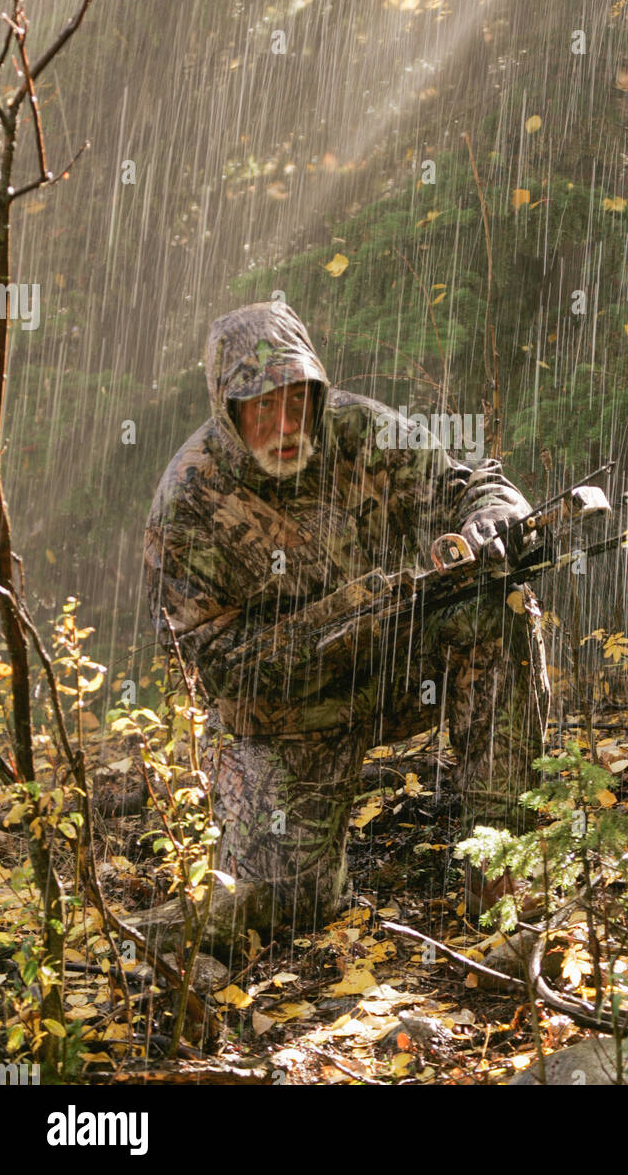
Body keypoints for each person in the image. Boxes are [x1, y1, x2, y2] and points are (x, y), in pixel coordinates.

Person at [137, 300, 546, 951]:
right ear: (227, 409)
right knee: (283, 912)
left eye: (296, 397)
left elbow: (468, 485)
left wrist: (495, 518)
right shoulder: (191, 497)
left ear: (316, 389)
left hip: (395, 671)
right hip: (285, 719)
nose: (284, 422)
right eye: (260, 405)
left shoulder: (359, 430)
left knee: (501, 605)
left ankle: (498, 882)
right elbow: (201, 663)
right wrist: (340, 622)